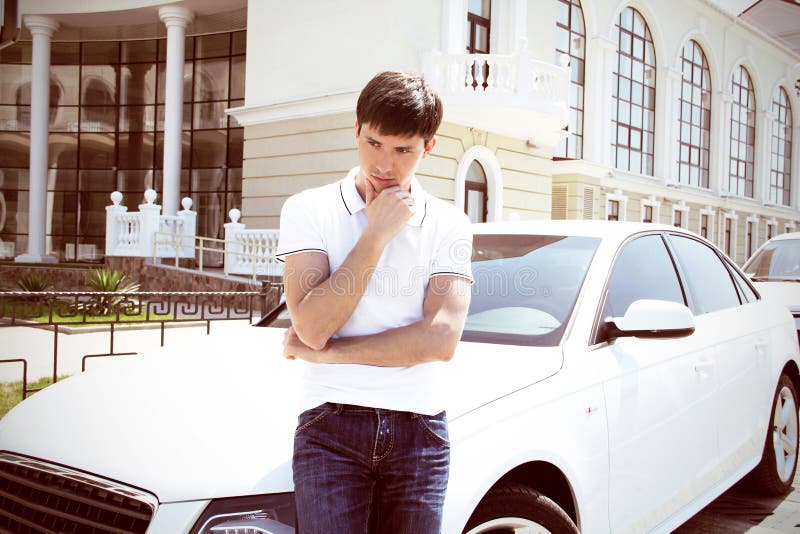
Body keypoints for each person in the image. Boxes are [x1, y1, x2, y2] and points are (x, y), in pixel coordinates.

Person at [276, 71, 473, 533]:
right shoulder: (308, 209)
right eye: (374, 143)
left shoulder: (450, 224)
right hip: (330, 429)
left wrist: (333, 354)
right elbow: (312, 327)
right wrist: (375, 236)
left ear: (429, 147)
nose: (384, 164)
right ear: (356, 130)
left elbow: (441, 339)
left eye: (403, 149)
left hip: (421, 431)